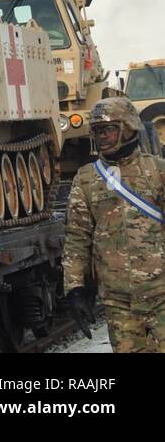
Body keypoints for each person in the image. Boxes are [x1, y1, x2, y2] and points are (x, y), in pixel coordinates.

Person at [63, 96, 165, 352]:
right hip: (119, 303)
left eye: (108, 129)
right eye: (97, 131)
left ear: (128, 127)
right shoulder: (86, 179)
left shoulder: (158, 171)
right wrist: (75, 288)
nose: (102, 137)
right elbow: (77, 237)